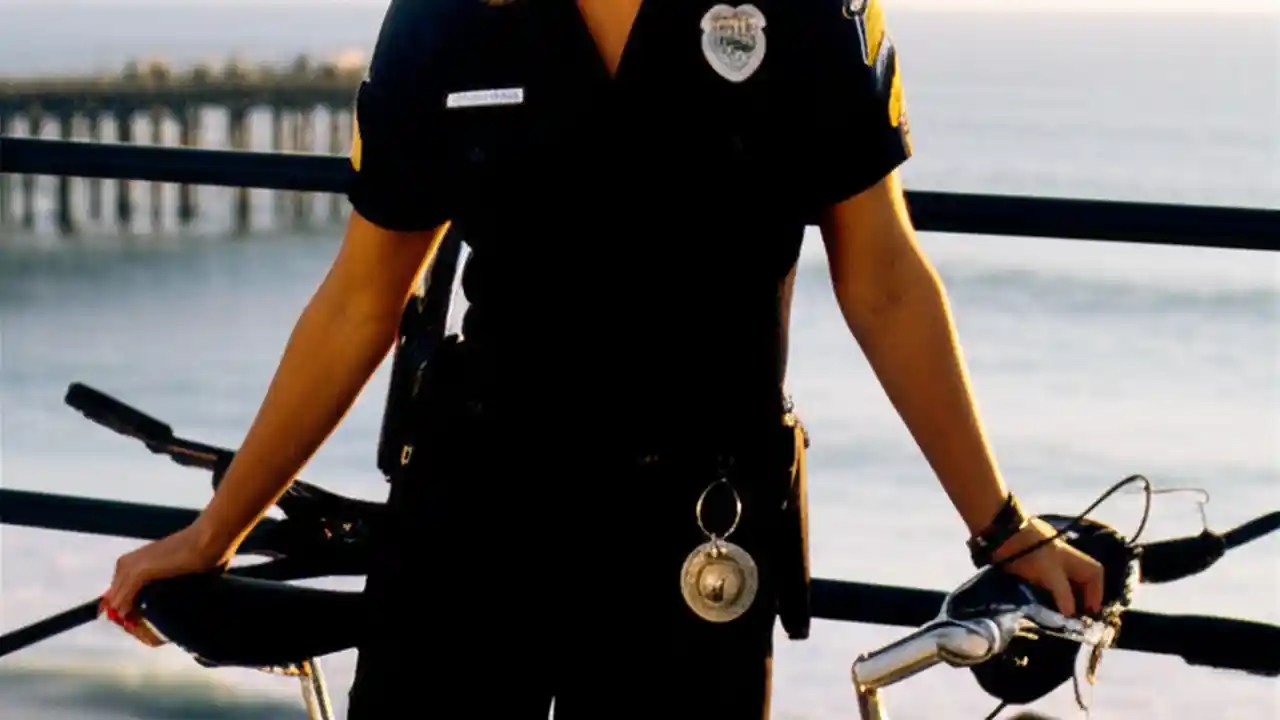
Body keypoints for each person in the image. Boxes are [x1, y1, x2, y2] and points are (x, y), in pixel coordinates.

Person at [102, 0, 1105, 717]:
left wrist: (1001, 529)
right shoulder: (443, 15)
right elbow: (361, 300)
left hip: (693, 538)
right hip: (472, 515)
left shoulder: (807, 13)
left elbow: (883, 283)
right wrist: (213, 532)